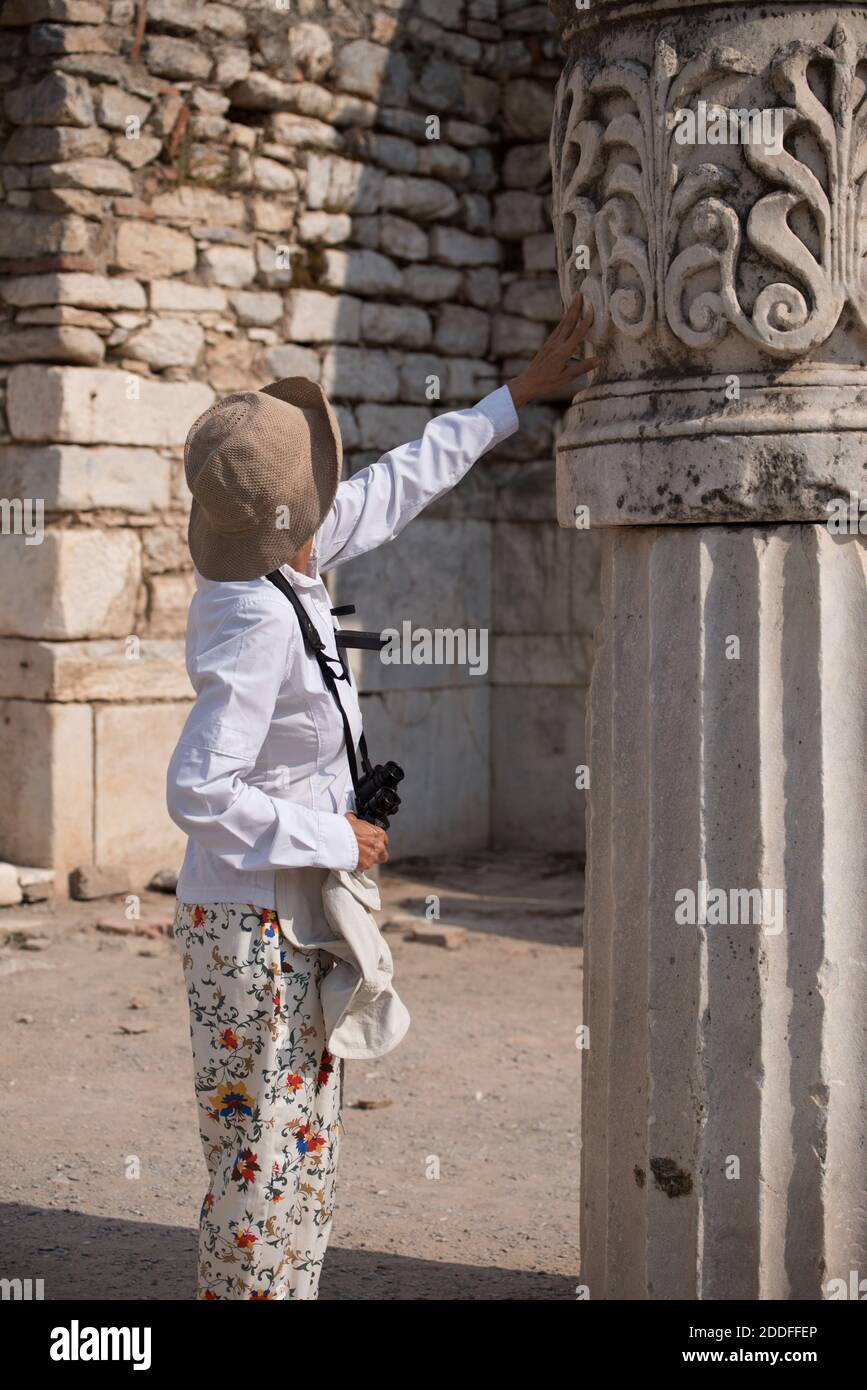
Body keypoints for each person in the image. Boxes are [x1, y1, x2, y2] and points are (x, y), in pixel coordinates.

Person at [166, 292, 598, 1300]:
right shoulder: (255, 616)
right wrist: (333, 832)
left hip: (296, 905)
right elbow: (198, 788)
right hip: (247, 920)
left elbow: (403, 481)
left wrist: (515, 395)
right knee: (257, 1156)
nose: (335, 491)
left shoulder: (299, 562)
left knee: (308, 1138)